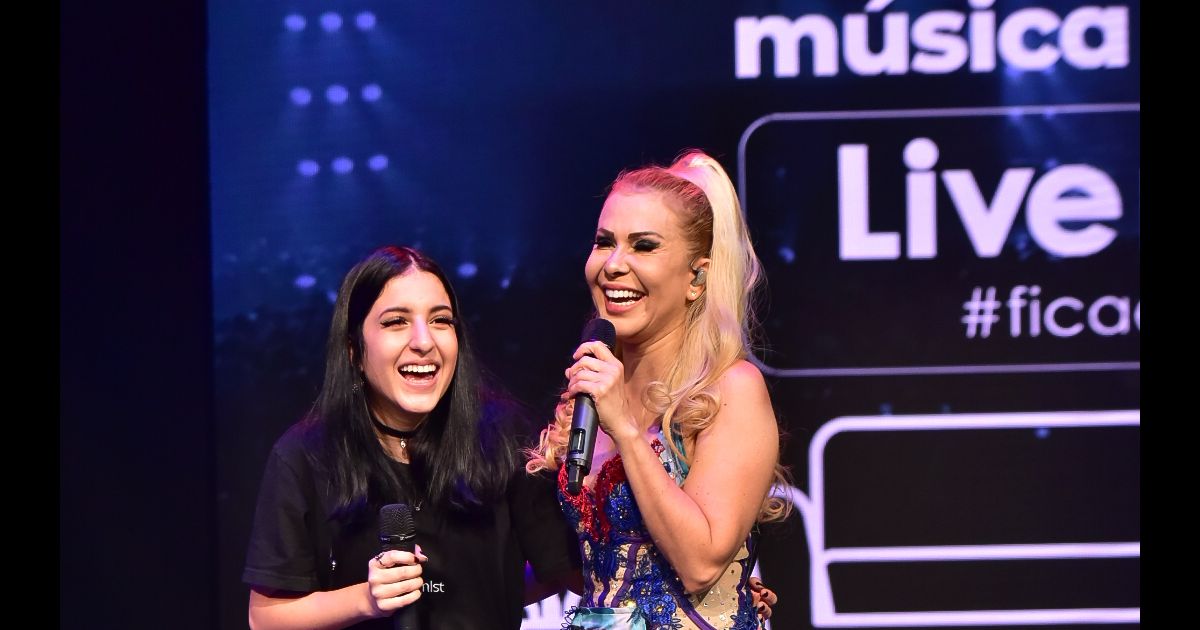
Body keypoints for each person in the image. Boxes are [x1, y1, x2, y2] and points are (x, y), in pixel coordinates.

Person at [243, 245, 581, 630]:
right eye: (396, 322)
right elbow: (265, 618)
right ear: (354, 350)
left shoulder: (504, 436)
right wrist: (365, 599)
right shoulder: (306, 455)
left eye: (441, 320)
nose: (424, 341)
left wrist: (485, 593)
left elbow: (563, 571)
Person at [527, 150, 793, 630]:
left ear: (696, 278)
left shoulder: (729, 389)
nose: (613, 265)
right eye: (604, 243)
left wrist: (627, 432)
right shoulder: (592, 392)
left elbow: (700, 565)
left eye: (643, 246)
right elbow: (584, 564)